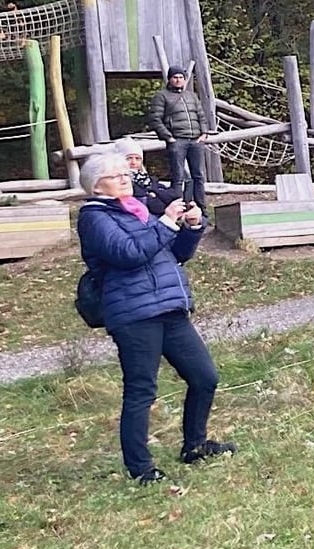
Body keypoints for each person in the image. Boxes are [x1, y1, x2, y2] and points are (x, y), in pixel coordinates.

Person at [76, 153, 235, 484]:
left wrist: (191, 227)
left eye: (126, 174)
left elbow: (174, 254)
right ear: (96, 186)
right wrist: (164, 222)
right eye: (116, 176)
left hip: (169, 308)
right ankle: (141, 469)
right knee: (141, 391)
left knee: (205, 378)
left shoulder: (136, 209)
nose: (125, 179)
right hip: (134, 316)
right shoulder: (94, 217)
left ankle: (195, 446)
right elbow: (129, 254)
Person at [146, 65, 213, 210]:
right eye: (175, 77)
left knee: (198, 176)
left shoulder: (191, 95)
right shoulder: (162, 96)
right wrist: (169, 137)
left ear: (185, 79)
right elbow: (155, 119)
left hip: (195, 140)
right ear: (170, 79)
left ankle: (201, 208)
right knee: (178, 177)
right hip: (177, 140)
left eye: (181, 77)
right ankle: (178, 208)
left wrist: (204, 132)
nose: (178, 80)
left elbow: (200, 115)